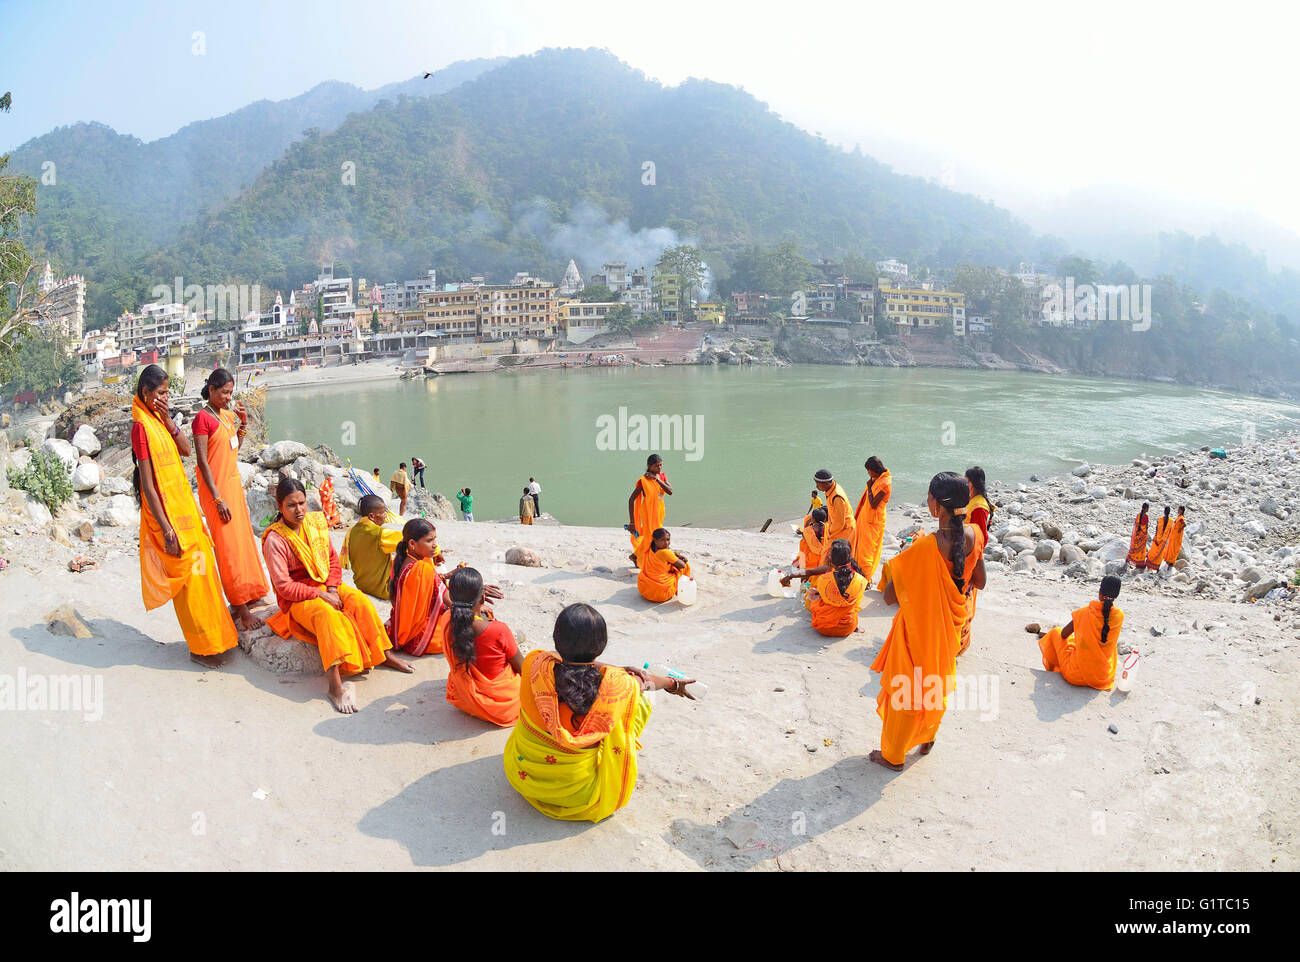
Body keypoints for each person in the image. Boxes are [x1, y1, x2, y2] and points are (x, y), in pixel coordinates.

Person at [504, 603, 694, 822]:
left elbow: (558, 658)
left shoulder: (535, 663)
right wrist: (671, 683)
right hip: (577, 794)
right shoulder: (621, 686)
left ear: (557, 638)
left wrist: (612, 670)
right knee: (640, 700)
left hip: (521, 773)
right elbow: (649, 684)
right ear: (601, 645)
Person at [261, 477, 413, 713]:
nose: (299, 510)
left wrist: (331, 589)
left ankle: (384, 654)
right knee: (328, 617)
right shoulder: (275, 539)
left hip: (326, 583)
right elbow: (283, 586)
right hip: (298, 597)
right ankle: (334, 686)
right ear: (279, 507)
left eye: (301, 503)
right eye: (291, 505)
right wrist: (320, 596)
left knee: (360, 602)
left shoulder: (315, 523)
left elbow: (332, 560)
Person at [869, 472, 986, 771]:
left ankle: (893, 755)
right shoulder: (975, 534)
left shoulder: (925, 548)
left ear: (937, 506)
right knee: (935, 682)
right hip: (951, 628)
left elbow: (889, 597)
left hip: (919, 632)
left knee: (907, 688)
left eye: (929, 497)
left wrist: (908, 561)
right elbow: (980, 581)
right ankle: (927, 738)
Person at [130, 364, 239, 668]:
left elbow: (186, 450)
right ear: (146, 393)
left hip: (184, 509)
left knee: (204, 571)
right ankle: (200, 648)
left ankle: (217, 638)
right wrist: (166, 530)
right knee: (189, 580)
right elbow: (148, 485)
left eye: (167, 392)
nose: (165, 396)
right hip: (166, 517)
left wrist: (167, 418)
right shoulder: (140, 427)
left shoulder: (156, 420)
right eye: (161, 392)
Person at [191, 367, 269, 631]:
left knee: (242, 542)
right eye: (224, 392)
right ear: (211, 390)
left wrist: (244, 425)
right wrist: (217, 500)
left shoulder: (225, 416)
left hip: (233, 486)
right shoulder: (202, 418)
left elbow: (233, 449)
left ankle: (251, 592)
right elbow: (202, 462)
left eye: (230, 393)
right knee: (226, 548)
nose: (228, 397)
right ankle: (240, 608)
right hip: (216, 492)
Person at [441, 567, 523, 726]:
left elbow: (451, 603)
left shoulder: (446, 620)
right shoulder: (499, 630)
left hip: (461, 698)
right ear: (483, 598)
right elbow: (522, 667)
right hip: (502, 707)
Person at [1037, 576, 1124, 690]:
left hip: (1075, 676)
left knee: (1055, 632)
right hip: (1101, 677)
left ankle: (1052, 669)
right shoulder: (1119, 616)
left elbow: (1063, 634)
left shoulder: (1085, 613)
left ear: (1100, 592)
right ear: (1116, 595)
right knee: (1110, 647)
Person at [780, 538, 869, 637]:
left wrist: (790, 576)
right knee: (852, 602)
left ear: (831, 558)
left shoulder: (824, 579)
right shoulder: (860, 579)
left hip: (822, 628)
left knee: (816, 594)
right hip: (847, 628)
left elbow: (810, 572)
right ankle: (855, 627)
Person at [386, 518, 448, 656]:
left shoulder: (400, 559)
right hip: (420, 637)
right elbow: (448, 601)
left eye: (435, 540)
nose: (434, 545)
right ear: (412, 544)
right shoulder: (422, 568)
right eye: (429, 541)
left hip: (402, 627)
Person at [340, 494, 402, 599]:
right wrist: (436, 551)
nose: (385, 516)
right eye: (383, 513)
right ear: (372, 516)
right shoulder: (381, 534)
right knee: (409, 551)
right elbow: (411, 540)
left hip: (362, 586)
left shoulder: (351, 531)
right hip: (383, 590)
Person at [627, 454, 672, 567]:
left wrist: (657, 479)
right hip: (648, 514)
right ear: (649, 466)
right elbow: (631, 500)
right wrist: (632, 521)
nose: (659, 468)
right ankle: (648, 559)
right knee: (653, 537)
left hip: (659, 512)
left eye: (661, 465)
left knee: (653, 537)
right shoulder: (644, 481)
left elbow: (670, 491)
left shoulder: (662, 477)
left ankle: (636, 556)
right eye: (656, 466)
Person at [852, 457, 891, 580]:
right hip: (866, 519)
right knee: (860, 547)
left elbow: (874, 504)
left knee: (867, 551)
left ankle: (866, 578)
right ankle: (858, 573)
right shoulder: (877, 479)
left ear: (874, 470)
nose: (868, 474)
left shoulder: (885, 483)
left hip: (874, 521)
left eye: (869, 471)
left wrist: (869, 487)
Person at [637, 528, 692, 602]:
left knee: (671, 564)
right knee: (685, 567)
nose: (666, 543)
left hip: (644, 589)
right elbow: (682, 565)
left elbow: (667, 554)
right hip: (661, 594)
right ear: (655, 540)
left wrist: (674, 556)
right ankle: (682, 588)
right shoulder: (665, 553)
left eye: (668, 539)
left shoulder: (649, 547)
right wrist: (683, 558)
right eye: (662, 540)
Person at [813, 468, 855, 565]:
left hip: (844, 530)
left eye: (818, 484)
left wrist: (830, 534)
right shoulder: (831, 489)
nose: (817, 486)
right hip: (838, 528)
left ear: (826, 484)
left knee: (832, 557)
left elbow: (840, 522)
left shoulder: (837, 497)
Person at [965, 466, 994, 544]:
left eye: (967, 481)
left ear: (974, 484)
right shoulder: (971, 499)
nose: (964, 484)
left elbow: (981, 536)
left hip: (969, 550)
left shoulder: (979, 507)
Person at [1146, 506, 1173, 572]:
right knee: (1159, 555)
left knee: (1153, 552)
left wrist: (1156, 537)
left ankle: (1149, 566)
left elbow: (1157, 529)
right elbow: (1170, 531)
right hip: (1163, 541)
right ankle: (1156, 568)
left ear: (1164, 511)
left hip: (1158, 539)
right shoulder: (1170, 521)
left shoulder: (1160, 519)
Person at [1125, 503, 1150, 571]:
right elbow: (1146, 527)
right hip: (1143, 535)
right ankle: (1140, 563)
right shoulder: (1146, 516)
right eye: (1148, 508)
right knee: (1141, 549)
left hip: (1137, 535)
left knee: (1135, 547)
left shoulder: (1138, 515)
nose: (1148, 509)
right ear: (1145, 508)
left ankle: (1130, 559)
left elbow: (1136, 525)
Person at [1163, 506, 1186, 570]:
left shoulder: (1181, 518)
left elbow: (1184, 524)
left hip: (1177, 536)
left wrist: (1180, 529)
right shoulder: (1179, 517)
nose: (1178, 510)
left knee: (1174, 548)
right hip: (1174, 535)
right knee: (1171, 547)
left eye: (1179, 509)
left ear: (1181, 510)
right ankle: (1169, 560)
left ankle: (1171, 561)